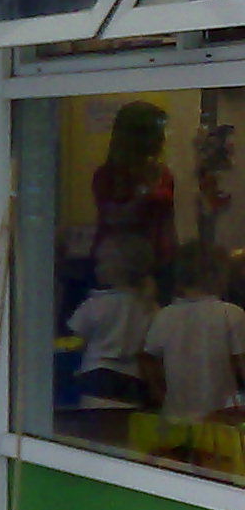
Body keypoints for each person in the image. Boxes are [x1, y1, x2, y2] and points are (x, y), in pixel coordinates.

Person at [144, 242, 245, 424]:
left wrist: (159, 393)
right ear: (221, 276)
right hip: (220, 416)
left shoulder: (164, 315)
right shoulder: (231, 313)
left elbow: (149, 360)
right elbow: (242, 364)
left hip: (174, 415)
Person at [93, 101, 177, 278]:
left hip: (160, 261)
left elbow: (168, 220)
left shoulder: (162, 172)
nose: (163, 138)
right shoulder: (109, 175)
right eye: (157, 131)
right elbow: (114, 218)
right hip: (120, 264)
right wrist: (144, 193)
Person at [68, 234, 154, 405]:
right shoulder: (146, 306)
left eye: (101, 263)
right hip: (132, 375)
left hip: (95, 372)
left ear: (115, 269)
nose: (96, 268)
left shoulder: (95, 304)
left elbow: (78, 340)